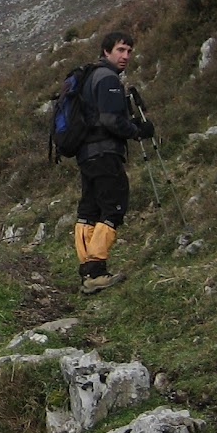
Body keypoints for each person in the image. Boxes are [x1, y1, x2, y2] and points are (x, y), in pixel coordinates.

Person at [73, 30, 154, 294]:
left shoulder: (89, 76)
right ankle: (96, 271)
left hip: (86, 154)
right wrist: (137, 130)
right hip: (105, 153)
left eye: (129, 51)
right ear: (106, 51)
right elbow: (110, 120)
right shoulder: (107, 78)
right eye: (120, 50)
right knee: (112, 209)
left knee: (89, 210)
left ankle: (87, 269)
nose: (126, 56)